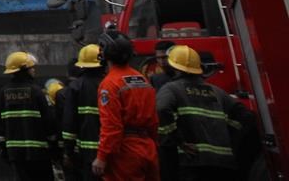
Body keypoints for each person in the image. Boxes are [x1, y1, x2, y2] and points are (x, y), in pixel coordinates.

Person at [156, 45, 252, 181]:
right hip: (222, 162)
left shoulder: (170, 89)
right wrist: (230, 138)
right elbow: (247, 117)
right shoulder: (217, 91)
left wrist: (179, 141)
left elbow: (162, 109)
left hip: (192, 160)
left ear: (175, 68)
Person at [91, 29, 159, 181]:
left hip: (125, 152)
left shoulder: (109, 84)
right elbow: (154, 120)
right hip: (148, 148)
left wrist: (102, 156)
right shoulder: (142, 79)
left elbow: (112, 126)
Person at [0, 51, 55, 181]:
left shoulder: (3, 93)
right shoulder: (36, 91)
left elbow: (1, 123)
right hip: (38, 152)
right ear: (24, 70)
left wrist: (3, 147)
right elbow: (48, 120)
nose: (34, 70)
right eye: (31, 68)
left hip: (15, 153)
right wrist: (53, 143)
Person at [63, 45, 104, 181]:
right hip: (111, 150)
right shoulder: (110, 83)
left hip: (85, 153)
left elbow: (69, 122)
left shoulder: (75, 87)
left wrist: (68, 151)